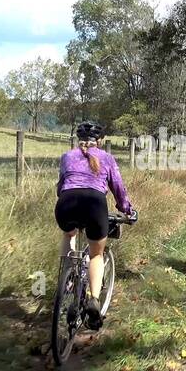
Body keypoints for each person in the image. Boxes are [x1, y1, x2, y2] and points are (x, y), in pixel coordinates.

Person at [54, 121, 136, 330]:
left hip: (66, 202)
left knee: (69, 233)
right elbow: (118, 188)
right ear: (99, 141)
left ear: (78, 139)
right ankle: (93, 299)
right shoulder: (106, 158)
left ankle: (68, 280)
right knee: (96, 255)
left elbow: (61, 185)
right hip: (94, 203)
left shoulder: (67, 156)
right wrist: (127, 210)